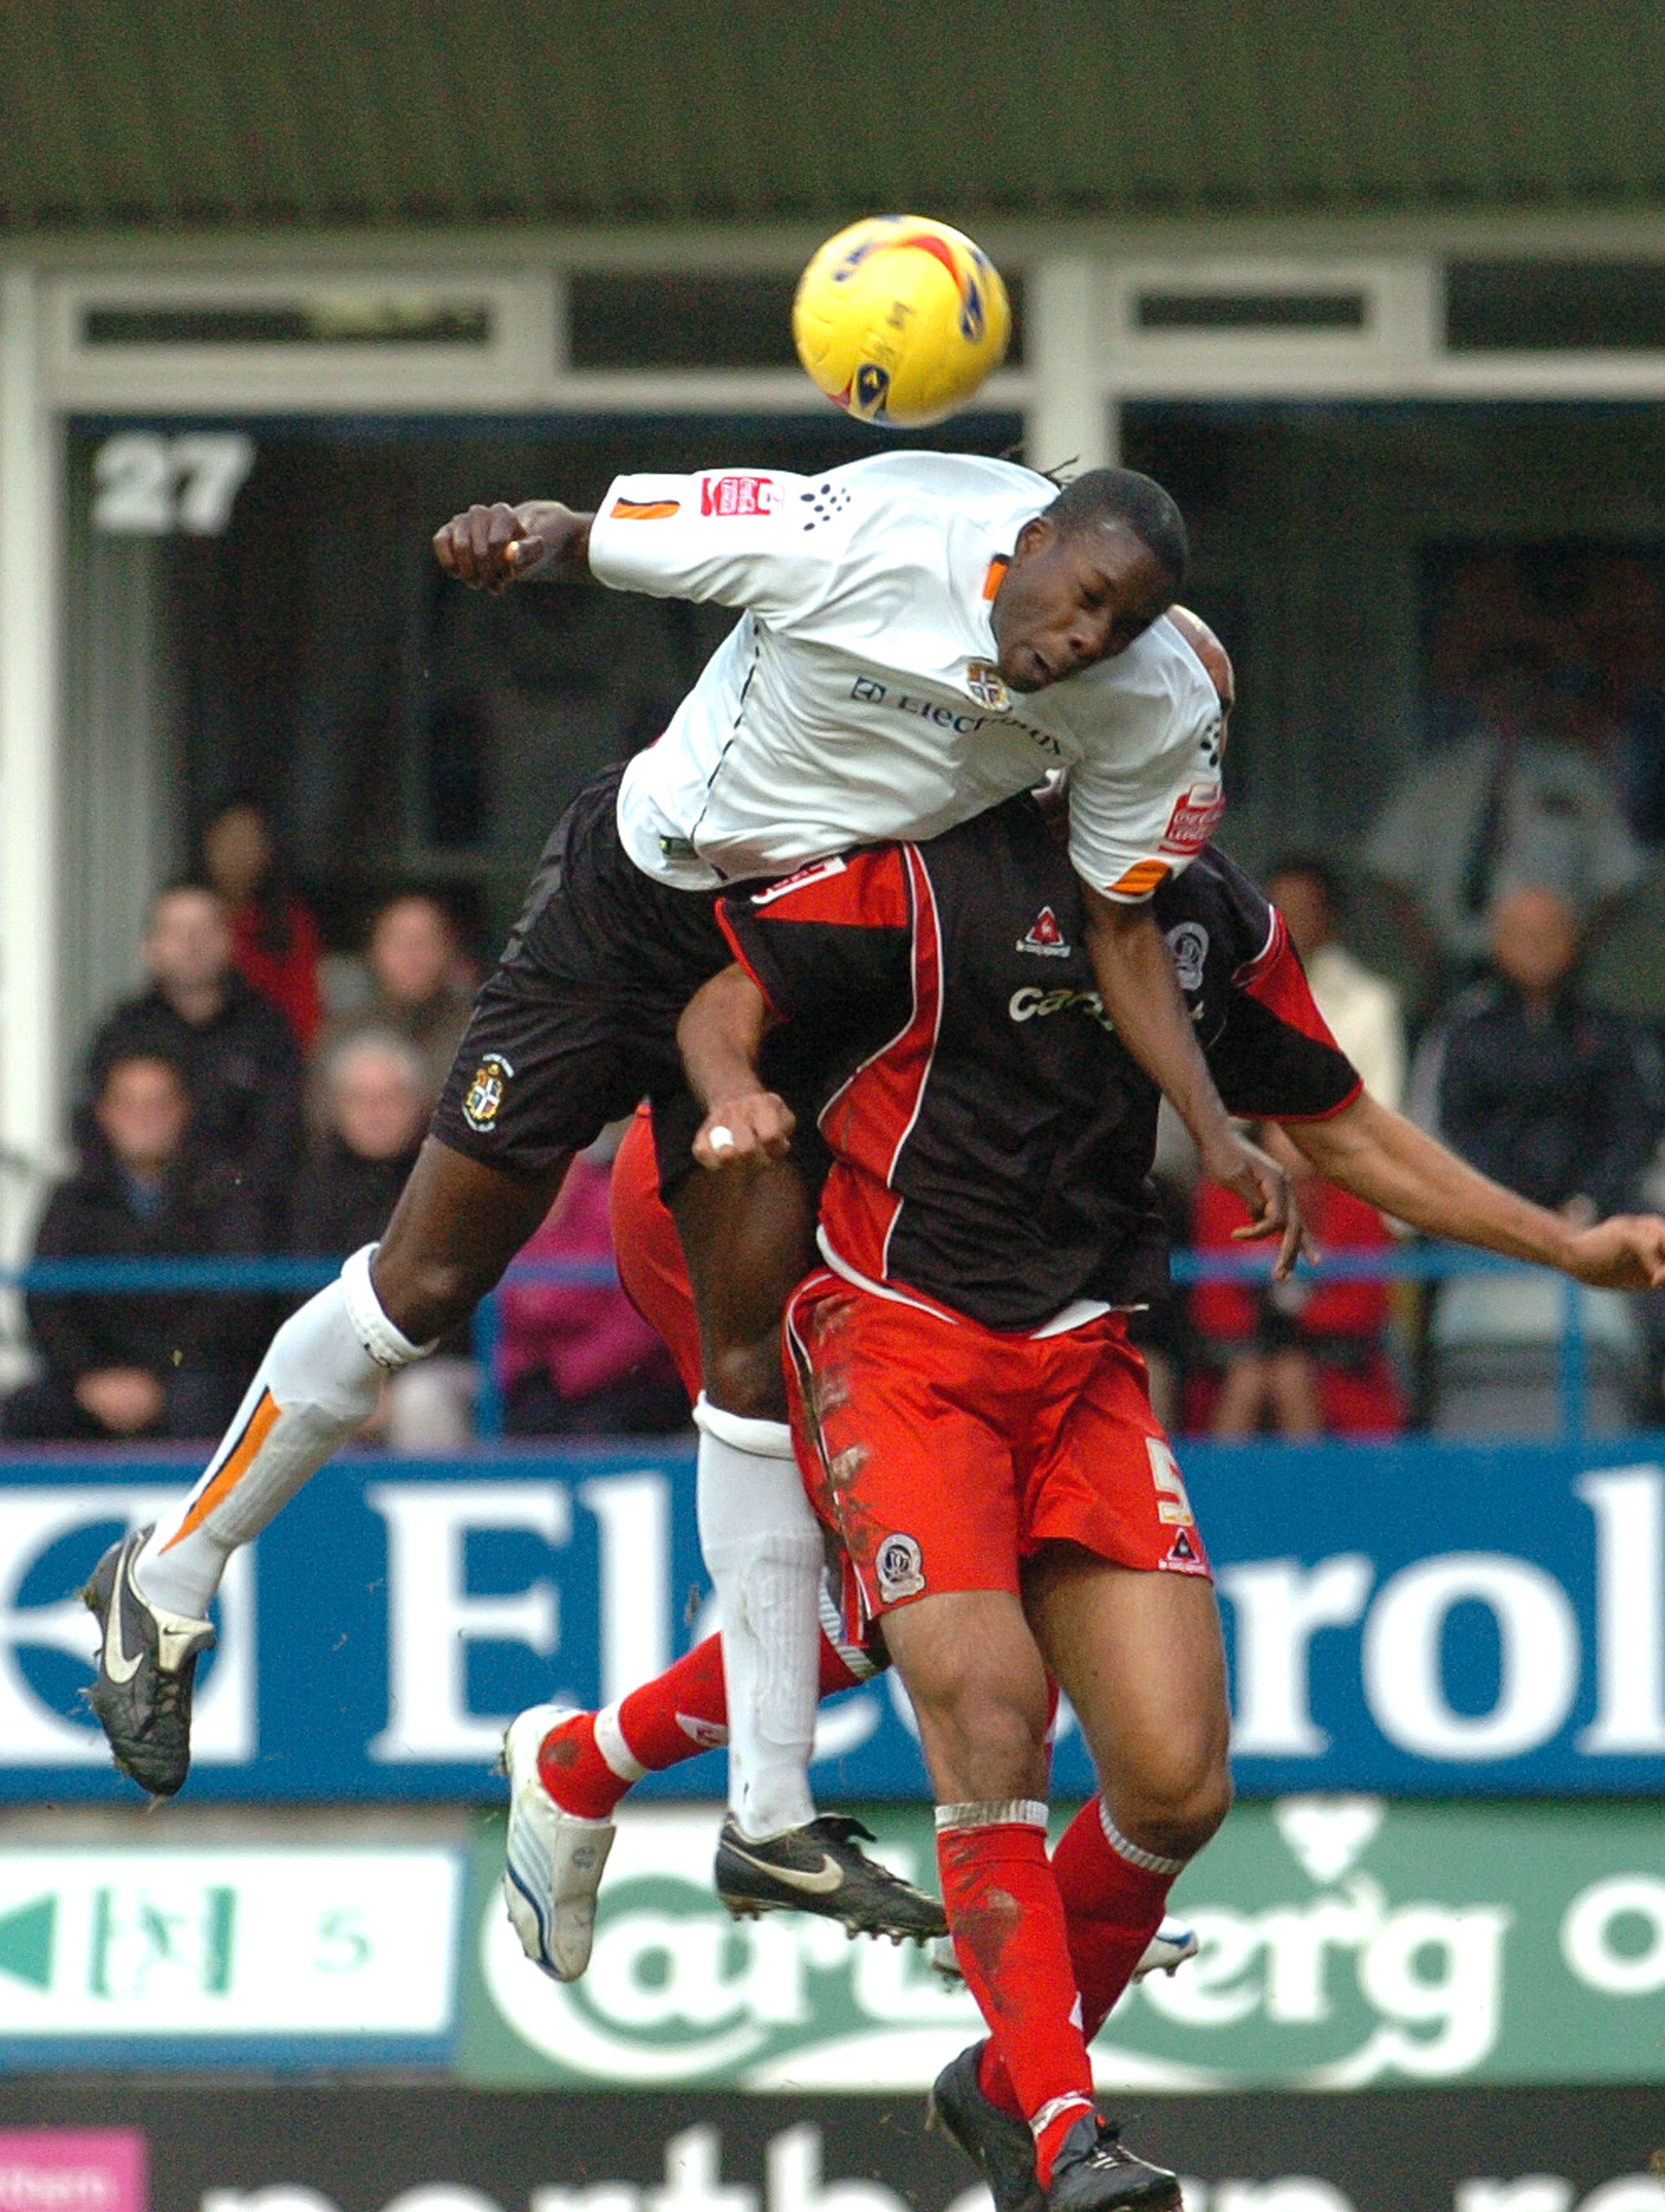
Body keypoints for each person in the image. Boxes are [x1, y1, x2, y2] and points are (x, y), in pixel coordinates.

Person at [83, 453, 1286, 1945]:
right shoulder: (868, 531)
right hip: (632, 901)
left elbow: (1116, 922)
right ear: (1025, 539)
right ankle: (170, 1571)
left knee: (758, 1362)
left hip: (790, 959)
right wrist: (513, 536)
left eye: (1126, 626)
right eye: (1083, 599)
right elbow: (597, 537)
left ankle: (769, 1820)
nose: (1084, 642)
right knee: (428, 1289)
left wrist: (1211, 1123)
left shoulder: (1150, 697)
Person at [500, 782, 1665, 2212]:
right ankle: (1060, 2128)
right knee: (977, 1690)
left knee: (1173, 1782)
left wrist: (1562, 1246)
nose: (1182, 760)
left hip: (1078, 1354)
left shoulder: (1210, 919)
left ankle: (594, 1774)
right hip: (863, 1309)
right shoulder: (927, 867)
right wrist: (737, 1094)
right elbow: (717, 1006)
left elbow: (1343, 1125)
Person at [4, 1054, 263, 1443]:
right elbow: (44, 1303)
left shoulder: (223, 1194)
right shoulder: (73, 1198)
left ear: (183, 1111)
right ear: (105, 1113)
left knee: (217, 1406)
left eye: (158, 1104)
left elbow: (233, 1307)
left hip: (190, 1381)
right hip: (88, 1384)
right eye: (129, 1104)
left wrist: (160, 1377)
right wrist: (89, 1378)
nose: (144, 1117)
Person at [1365, 645, 1644, 988]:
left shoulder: (1576, 776)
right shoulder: (1440, 776)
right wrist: (1427, 956)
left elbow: (1619, 878)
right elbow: (1389, 872)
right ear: (1480, 695)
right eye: (1500, 688)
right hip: (1459, 958)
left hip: (1548, 965)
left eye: (1522, 689)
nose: (1510, 700)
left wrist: (1576, 951)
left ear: (1541, 697)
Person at [82, 882, 305, 1243]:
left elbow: (283, 1135)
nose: (191, 943)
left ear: (230, 940)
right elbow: (92, 1135)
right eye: (175, 931)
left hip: (247, 1229)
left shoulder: (268, 1031)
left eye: (204, 929)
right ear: (149, 947)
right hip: (133, 1231)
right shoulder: (121, 1033)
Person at [292, 1031, 476, 1451]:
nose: (375, 1112)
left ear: (420, 1104)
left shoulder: (454, 1181)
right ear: (335, 1108)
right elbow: (300, 1302)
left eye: (391, 1097)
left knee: (421, 1400)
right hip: (333, 1371)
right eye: (359, 1099)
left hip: (437, 1368)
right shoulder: (306, 1189)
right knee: (309, 1404)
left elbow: (462, 1299)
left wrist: (387, 1382)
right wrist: (356, 1382)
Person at [1188, 1124, 1404, 1439]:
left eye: (1300, 1127)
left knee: (1291, 1375)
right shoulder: (1224, 1197)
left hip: (1336, 1360)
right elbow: (1212, 1308)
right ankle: (1219, 1486)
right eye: (1279, 1128)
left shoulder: (1357, 1199)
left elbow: (1365, 1306)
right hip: (1241, 1355)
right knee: (1249, 1378)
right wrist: (1269, 1311)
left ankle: (1309, 1487)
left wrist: (1296, 1309)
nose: (1291, 1139)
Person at [498, 1125, 688, 1438]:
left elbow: (642, 1317)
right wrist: (520, 1370)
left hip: (628, 1383)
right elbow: (497, 1315)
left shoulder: (613, 1206)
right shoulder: (506, 1217)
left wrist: (567, 1372)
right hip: (529, 1387)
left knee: (589, 1426)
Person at [1264, 854, 1405, 1110]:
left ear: (1328, 918)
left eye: (1301, 912)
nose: (1287, 924)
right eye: (1279, 910)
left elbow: (1382, 1108)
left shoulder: (1371, 1003)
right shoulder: (1231, 989)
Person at [312, 892, 476, 1112]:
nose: (412, 956)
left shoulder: (481, 1034)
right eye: (398, 941)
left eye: (425, 941)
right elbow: (320, 1124)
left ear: (448, 950)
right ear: (374, 951)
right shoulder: (340, 1035)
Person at [202, 799, 324, 1048]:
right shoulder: (191, 916)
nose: (237, 851)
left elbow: (304, 1014)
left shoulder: (289, 924)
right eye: (228, 839)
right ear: (208, 845)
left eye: (248, 840)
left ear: (267, 852)